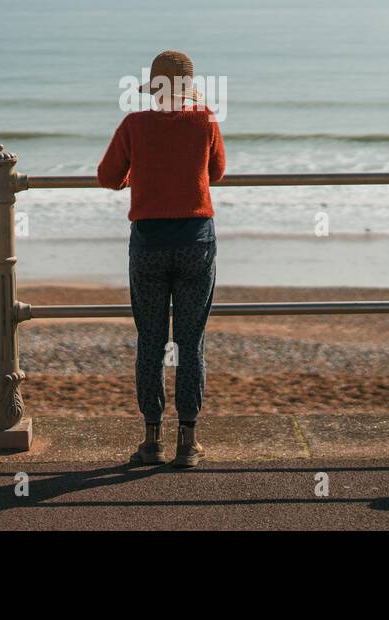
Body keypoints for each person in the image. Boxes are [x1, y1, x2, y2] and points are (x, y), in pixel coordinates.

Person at [98, 50, 225, 468]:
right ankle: (187, 441)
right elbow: (216, 172)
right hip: (195, 241)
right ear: (188, 90)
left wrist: (137, 174)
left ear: (154, 90)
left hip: (149, 244)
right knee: (190, 343)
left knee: (151, 342)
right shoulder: (205, 120)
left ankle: (151, 439)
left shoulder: (134, 124)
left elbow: (107, 177)